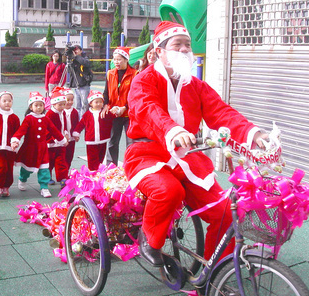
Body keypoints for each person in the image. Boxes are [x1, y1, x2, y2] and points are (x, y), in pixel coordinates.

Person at [124, 21, 268, 267]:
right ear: (159, 50)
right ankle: (149, 239)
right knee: (169, 191)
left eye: (187, 45)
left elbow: (221, 112)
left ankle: (213, 275)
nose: (183, 50)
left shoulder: (196, 85)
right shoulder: (143, 81)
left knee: (226, 212)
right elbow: (148, 109)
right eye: (176, 44)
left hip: (188, 159)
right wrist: (173, 130)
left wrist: (253, 134)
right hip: (147, 155)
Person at [11, 92, 68, 198]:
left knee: (44, 169)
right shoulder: (28, 118)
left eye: (41, 105)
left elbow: (54, 130)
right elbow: (21, 130)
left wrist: (62, 140)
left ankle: (44, 187)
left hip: (42, 148)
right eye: (36, 105)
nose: (39, 107)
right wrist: (16, 140)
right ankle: (22, 179)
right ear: (31, 107)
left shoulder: (45, 118)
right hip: (30, 148)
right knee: (26, 168)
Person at [102, 46, 137, 166]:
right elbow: (106, 92)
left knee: (130, 142)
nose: (116, 62)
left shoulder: (135, 74)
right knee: (112, 141)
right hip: (114, 113)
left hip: (129, 114)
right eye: (114, 59)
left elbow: (135, 95)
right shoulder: (110, 74)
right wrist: (106, 105)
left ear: (126, 59)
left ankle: (131, 166)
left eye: (119, 59)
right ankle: (111, 166)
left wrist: (125, 107)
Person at [0, 91, 20, 197]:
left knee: (9, 168)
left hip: (10, 148)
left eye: (9, 101)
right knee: (2, 167)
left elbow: (18, 132)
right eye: (4, 101)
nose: (7, 103)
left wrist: (15, 141)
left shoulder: (15, 117)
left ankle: (6, 186)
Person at [73, 90, 115, 171]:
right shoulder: (87, 114)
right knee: (92, 157)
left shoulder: (105, 113)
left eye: (100, 102)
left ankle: (99, 169)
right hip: (91, 140)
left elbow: (112, 117)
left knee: (101, 156)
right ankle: (92, 170)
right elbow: (81, 124)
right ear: (90, 103)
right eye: (96, 102)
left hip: (103, 140)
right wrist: (76, 132)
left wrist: (116, 111)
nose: (99, 104)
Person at [45, 88, 69, 186]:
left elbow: (64, 124)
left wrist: (66, 132)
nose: (62, 107)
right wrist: (54, 139)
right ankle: (48, 177)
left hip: (61, 141)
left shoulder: (62, 112)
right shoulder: (50, 114)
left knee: (61, 161)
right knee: (49, 161)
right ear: (53, 104)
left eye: (64, 104)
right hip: (51, 143)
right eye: (60, 104)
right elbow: (48, 129)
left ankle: (62, 178)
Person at [66, 45, 92, 118]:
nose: (75, 52)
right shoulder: (73, 60)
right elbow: (69, 70)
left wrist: (76, 57)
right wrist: (69, 59)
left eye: (77, 50)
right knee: (78, 106)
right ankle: (78, 121)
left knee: (84, 104)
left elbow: (86, 63)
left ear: (81, 51)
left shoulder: (84, 58)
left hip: (84, 84)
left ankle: (84, 120)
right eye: (74, 50)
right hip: (76, 85)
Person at [63, 88, 79, 172]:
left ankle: (66, 171)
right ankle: (62, 173)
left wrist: (76, 134)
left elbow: (77, 124)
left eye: (72, 100)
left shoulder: (75, 112)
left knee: (69, 155)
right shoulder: (61, 111)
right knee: (62, 156)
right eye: (67, 100)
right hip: (63, 139)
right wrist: (64, 133)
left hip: (71, 138)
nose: (70, 102)